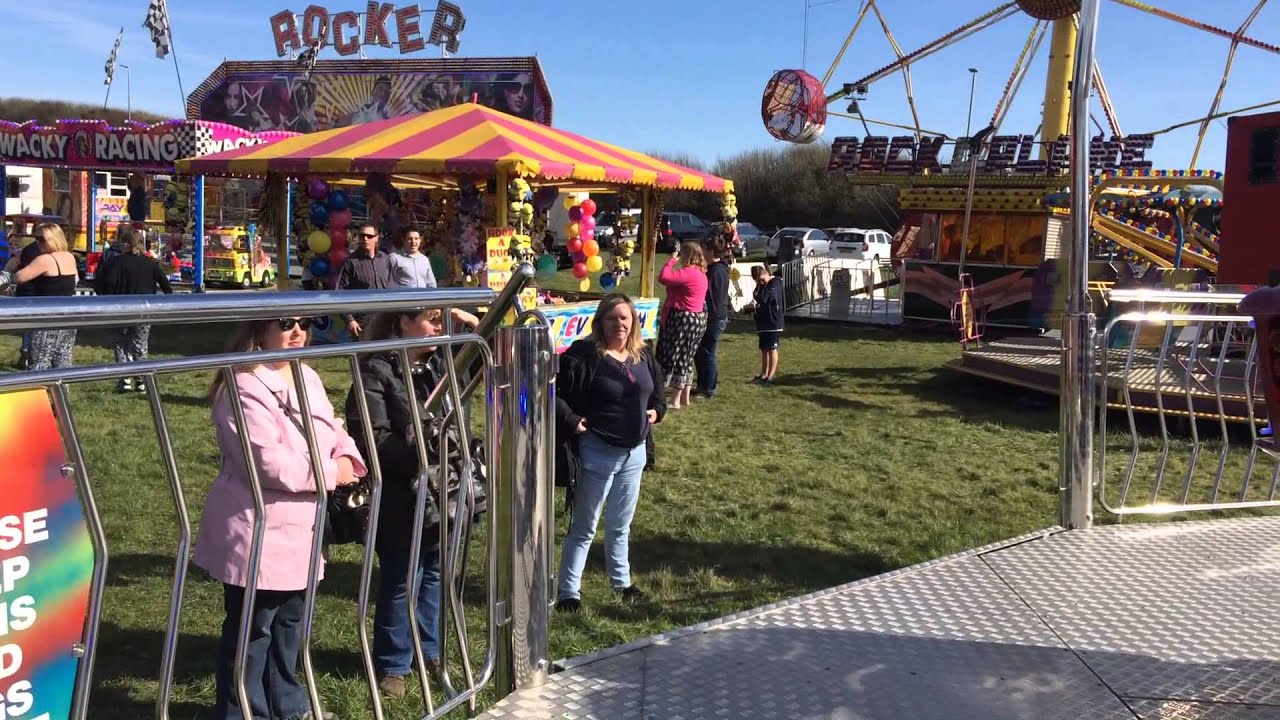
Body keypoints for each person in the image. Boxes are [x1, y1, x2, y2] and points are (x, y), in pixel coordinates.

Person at [193, 316, 366, 720]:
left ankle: (286, 705)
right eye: (286, 323)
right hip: (259, 526)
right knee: (253, 631)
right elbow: (266, 461)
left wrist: (346, 457)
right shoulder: (241, 384)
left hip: (303, 525)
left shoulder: (305, 374)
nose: (297, 332)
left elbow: (333, 428)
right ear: (258, 331)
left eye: (305, 323)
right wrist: (330, 472)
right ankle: (242, 711)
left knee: (289, 625)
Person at [345, 306, 479, 699]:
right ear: (402, 322)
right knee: (403, 577)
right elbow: (373, 438)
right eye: (430, 317)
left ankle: (429, 651)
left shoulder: (445, 363)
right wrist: (431, 454)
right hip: (402, 491)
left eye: (442, 318)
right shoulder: (375, 371)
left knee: (436, 571)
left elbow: (494, 365)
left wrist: (470, 323)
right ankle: (393, 663)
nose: (440, 325)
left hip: (445, 490)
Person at [554, 294, 666, 613]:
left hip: (635, 453)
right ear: (600, 322)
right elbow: (554, 394)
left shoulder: (643, 354)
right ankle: (568, 593)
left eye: (625, 318)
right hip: (597, 451)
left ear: (634, 322)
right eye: (612, 318)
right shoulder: (584, 355)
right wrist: (572, 420)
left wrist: (657, 413)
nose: (619, 324)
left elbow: (658, 396)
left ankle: (621, 582)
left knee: (620, 524)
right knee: (585, 526)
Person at [94, 227, 174, 392]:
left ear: (125, 243)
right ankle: (141, 379)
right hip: (144, 310)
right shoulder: (150, 264)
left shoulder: (116, 262)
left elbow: (106, 283)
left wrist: (105, 298)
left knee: (120, 343)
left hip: (120, 308)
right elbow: (166, 285)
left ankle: (124, 379)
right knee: (140, 344)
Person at [0, 223, 80, 370]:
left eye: (41, 238)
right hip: (67, 319)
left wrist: (8, 268)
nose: (37, 242)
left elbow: (19, 278)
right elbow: (75, 281)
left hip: (46, 319)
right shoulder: (70, 257)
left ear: (53, 239)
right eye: (36, 238)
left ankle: (42, 392)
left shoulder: (45, 260)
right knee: (63, 362)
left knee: (39, 363)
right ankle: (61, 392)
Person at [655, 242, 708, 409]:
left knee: (674, 356)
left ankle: (674, 400)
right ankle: (684, 397)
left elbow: (664, 277)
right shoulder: (701, 273)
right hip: (697, 319)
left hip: (683, 319)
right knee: (686, 357)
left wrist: (671, 260)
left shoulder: (689, 273)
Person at [337, 223, 397, 338]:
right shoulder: (351, 262)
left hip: (385, 317)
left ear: (376, 238)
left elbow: (392, 287)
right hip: (362, 320)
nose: (365, 239)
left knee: (386, 354)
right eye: (362, 236)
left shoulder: (385, 259)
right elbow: (340, 293)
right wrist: (350, 320)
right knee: (365, 355)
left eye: (369, 236)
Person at [694, 228, 732, 399]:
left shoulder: (717, 271)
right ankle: (702, 384)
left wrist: (708, 317)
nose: (702, 254)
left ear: (711, 251)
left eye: (704, 250)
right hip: (711, 317)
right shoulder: (714, 269)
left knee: (707, 352)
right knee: (700, 352)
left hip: (714, 318)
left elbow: (714, 299)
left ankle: (709, 387)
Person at [745, 265, 785, 386]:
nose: (761, 282)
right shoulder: (760, 286)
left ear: (766, 273)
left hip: (773, 322)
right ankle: (763, 374)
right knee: (764, 349)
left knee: (772, 349)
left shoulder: (776, 283)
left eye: (762, 279)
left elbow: (766, 298)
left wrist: (757, 303)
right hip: (762, 322)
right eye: (758, 281)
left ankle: (770, 377)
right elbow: (757, 296)